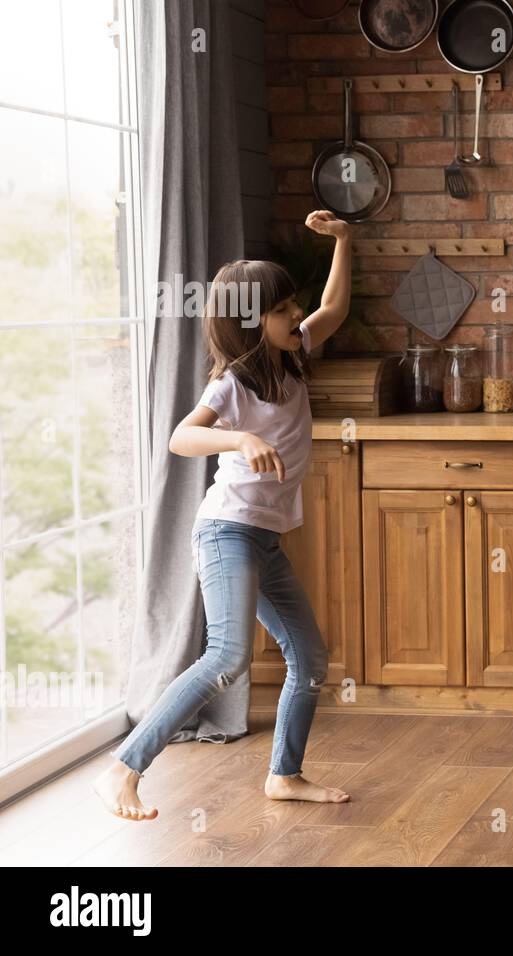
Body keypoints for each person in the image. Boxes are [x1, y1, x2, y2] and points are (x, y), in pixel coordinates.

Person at [94, 210, 355, 820]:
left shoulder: (292, 360)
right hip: (225, 532)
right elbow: (181, 439)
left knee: (310, 657)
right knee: (228, 656)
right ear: (249, 322)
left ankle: (284, 775)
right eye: (284, 308)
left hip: (262, 537)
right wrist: (239, 441)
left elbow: (335, 310)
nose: (297, 315)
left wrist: (345, 239)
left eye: (294, 304)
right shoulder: (232, 385)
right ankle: (122, 770)